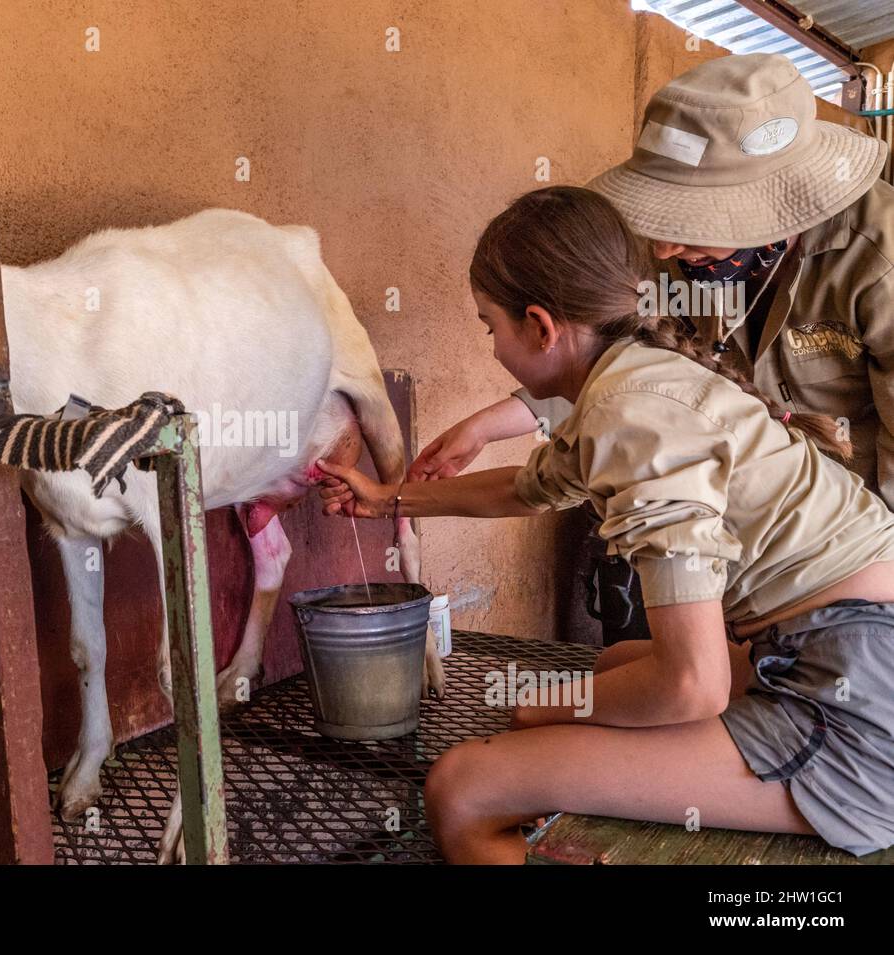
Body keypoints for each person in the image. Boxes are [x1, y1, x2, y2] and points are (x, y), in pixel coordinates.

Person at [317, 186, 894, 863]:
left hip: (855, 707)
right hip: (840, 641)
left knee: (463, 787)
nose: (493, 347)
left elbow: (693, 684)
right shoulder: (636, 378)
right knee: (619, 663)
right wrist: (386, 499)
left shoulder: (631, 417)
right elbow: (527, 487)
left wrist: (543, 712)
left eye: (489, 326)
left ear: (539, 325)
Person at [413, 53, 893, 645]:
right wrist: (491, 424)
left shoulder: (879, 261)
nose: (663, 247)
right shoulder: (687, 262)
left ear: (775, 201)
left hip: (851, 576)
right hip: (749, 569)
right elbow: (635, 363)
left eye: (689, 220)